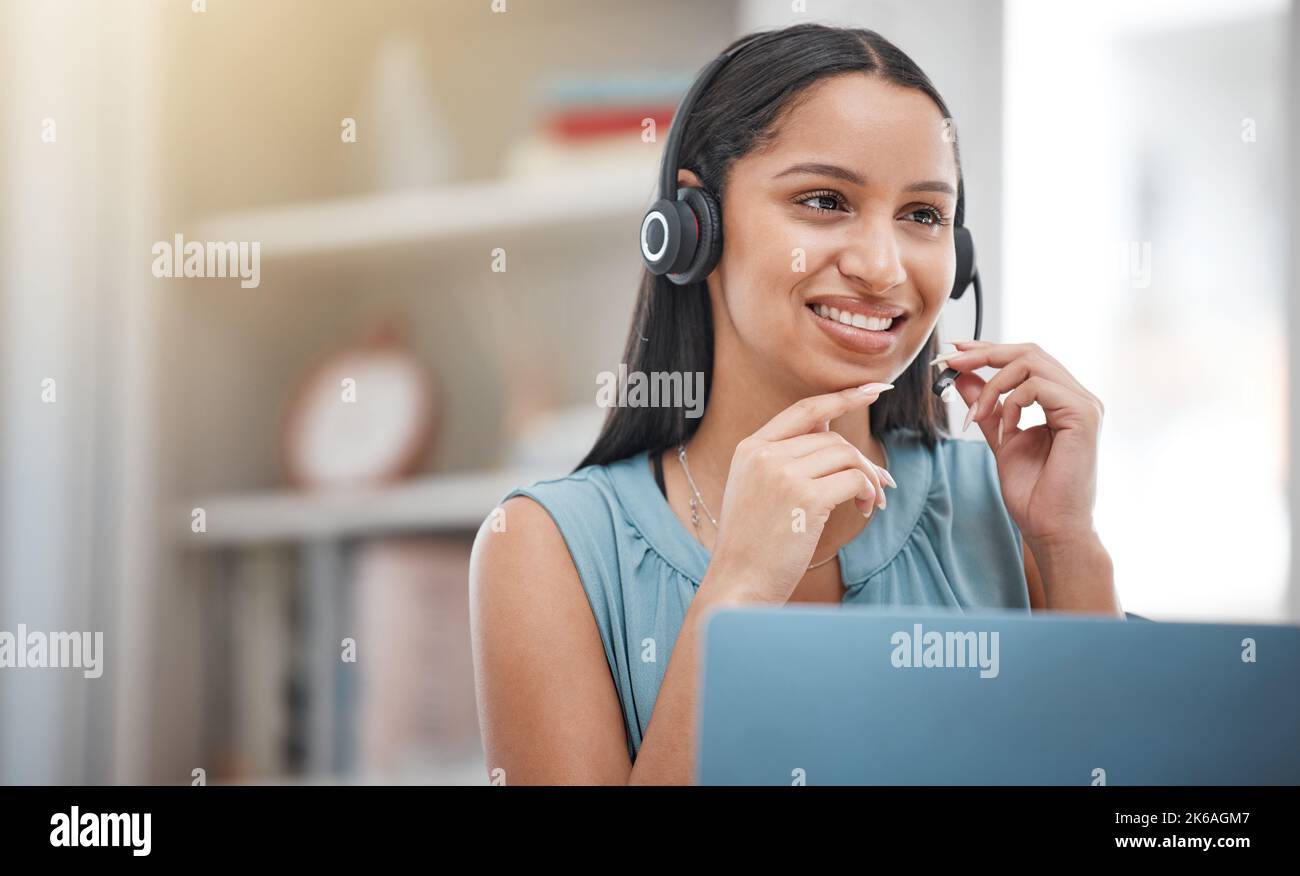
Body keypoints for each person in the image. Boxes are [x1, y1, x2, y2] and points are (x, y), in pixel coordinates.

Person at [469, 22, 1120, 786]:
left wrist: (1068, 546)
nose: (882, 268)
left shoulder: (1008, 513)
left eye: (922, 216)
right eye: (824, 200)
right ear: (692, 226)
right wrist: (737, 588)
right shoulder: (545, 548)